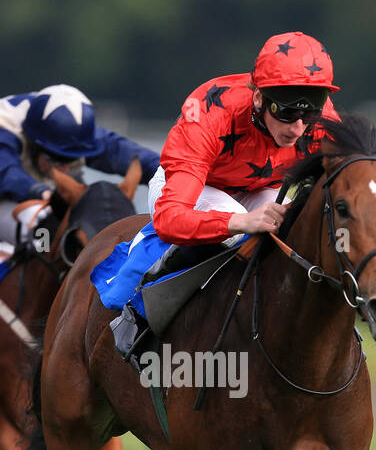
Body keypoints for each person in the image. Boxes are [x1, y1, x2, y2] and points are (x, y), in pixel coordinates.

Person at [110, 30, 340, 355]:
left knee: (297, 234)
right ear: (259, 97)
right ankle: (141, 314)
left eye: (309, 113)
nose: (298, 127)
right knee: (241, 236)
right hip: (195, 185)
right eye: (286, 112)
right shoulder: (208, 112)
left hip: (260, 187)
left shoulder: (320, 119)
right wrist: (241, 222)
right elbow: (170, 220)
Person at [0, 84, 160, 347]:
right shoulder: (0, 133)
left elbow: (132, 156)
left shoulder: (70, 132)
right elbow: (4, 173)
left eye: (71, 158)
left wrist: (177, 169)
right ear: (33, 140)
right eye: (54, 157)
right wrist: (40, 191)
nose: (64, 165)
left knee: (48, 233)